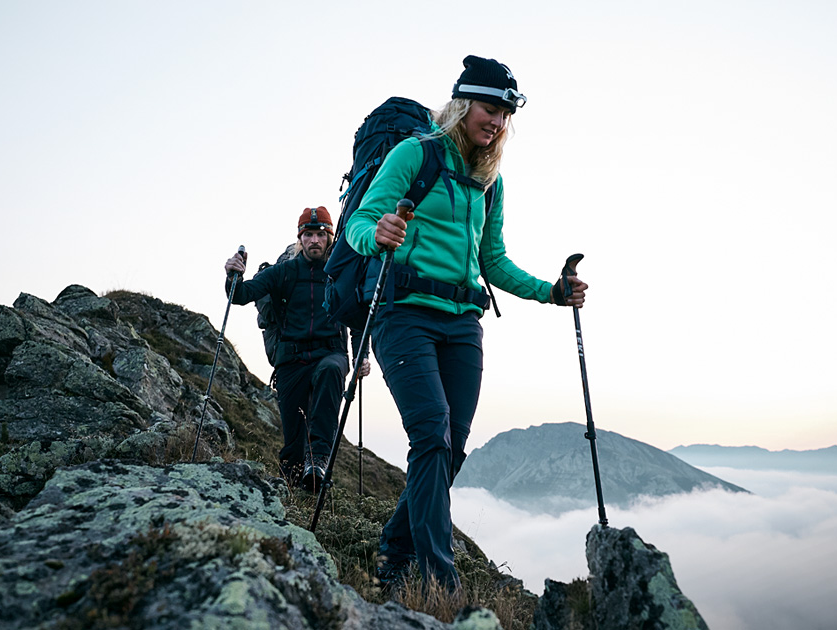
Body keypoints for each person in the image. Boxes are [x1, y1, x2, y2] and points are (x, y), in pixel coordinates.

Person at [345, 55, 588, 591]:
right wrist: (378, 231)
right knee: (430, 431)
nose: (497, 121)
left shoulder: (488, 182)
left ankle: (396, 547)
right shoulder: (416, 154)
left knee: (451, 445)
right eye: (489, 107)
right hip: (401, 313)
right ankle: (439, 581)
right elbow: (361, 223)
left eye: (505, 113)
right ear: (461, 105)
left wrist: (551, 292)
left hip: (462, 325)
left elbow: (493, 260)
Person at [223, 207, 369, 491]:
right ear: (300, 238)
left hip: (331, 354)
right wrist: (233, 275)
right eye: (309, 235)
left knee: (329, 372)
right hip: (291, 360)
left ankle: (318, 462)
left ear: (330, 237)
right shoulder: (283, 273)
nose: (315, 240)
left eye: (321, 235)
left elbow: (358, 319)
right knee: (293, 439)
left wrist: (361, 356)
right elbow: (240, 295)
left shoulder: (339, 273)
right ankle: (293, 488)